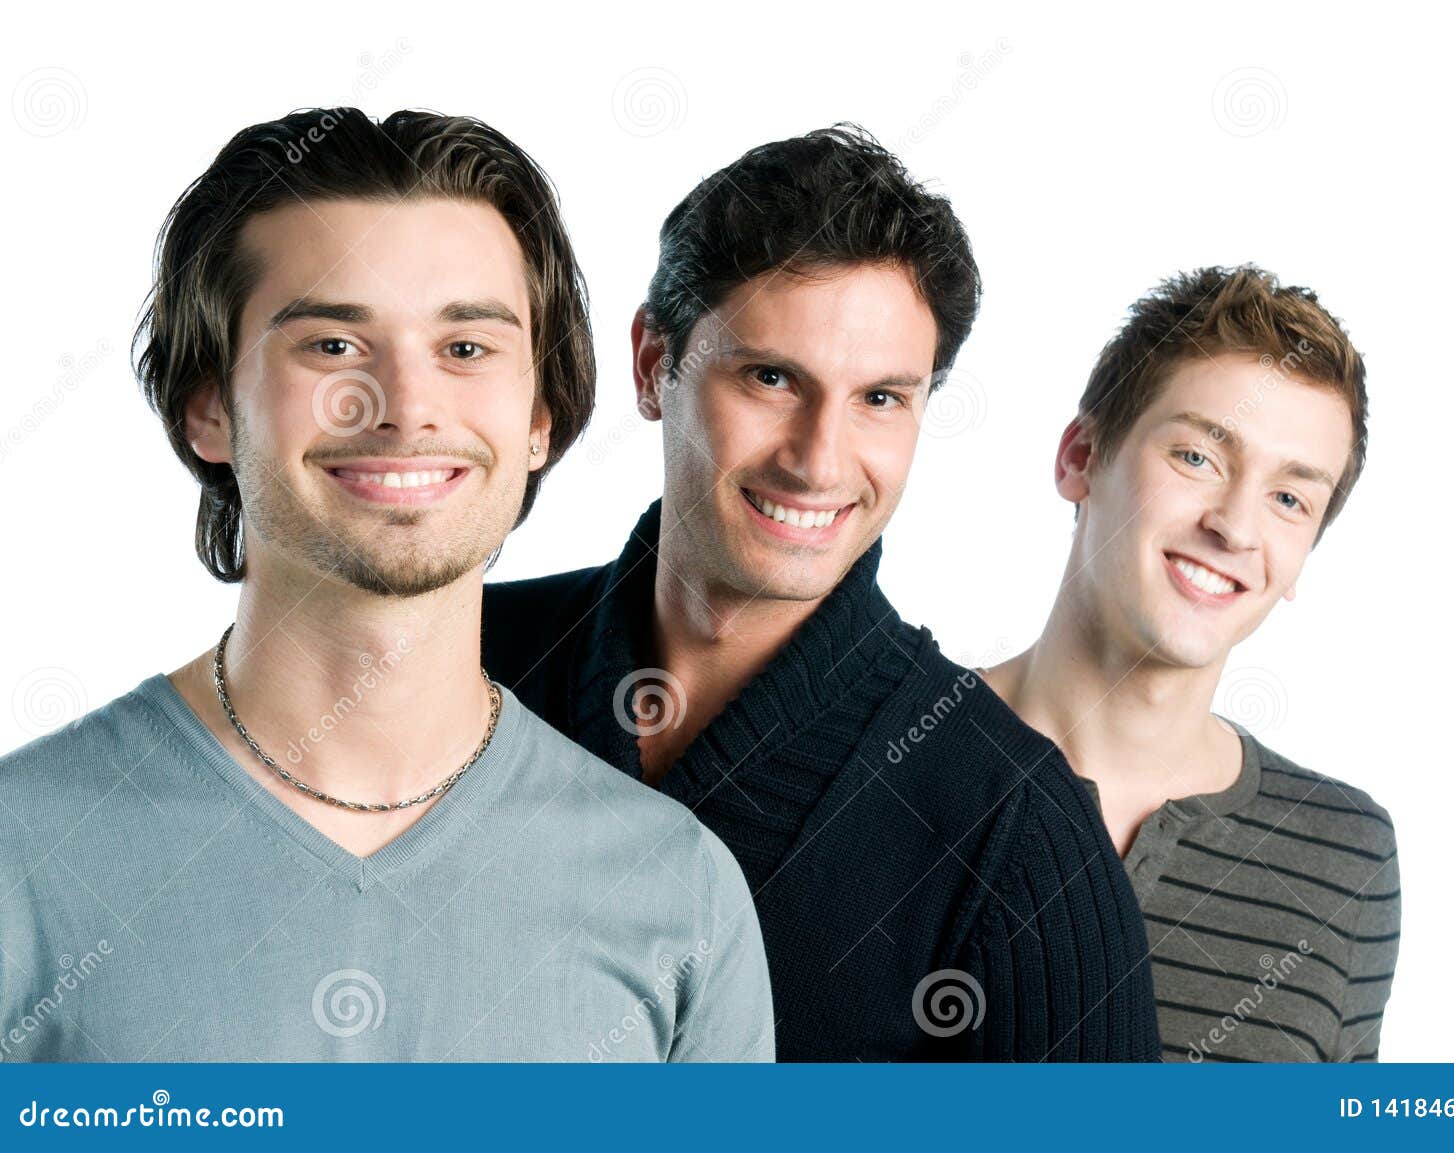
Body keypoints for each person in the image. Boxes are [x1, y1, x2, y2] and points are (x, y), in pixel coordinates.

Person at [0, 108, 773, 1063]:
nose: (406, 408)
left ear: (539, 415)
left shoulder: (677, 889)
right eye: (332, 345)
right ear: (208, 406)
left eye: (466, 349)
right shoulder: (22, 856)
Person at [482, 126, 1160, 1061]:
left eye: (880, 398)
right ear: (651, 365)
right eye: (770, 378)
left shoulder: (1014, 831)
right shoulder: (464, 660)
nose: (818, 460)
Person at [981, 266, 1401, 1062]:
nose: (1235, 527)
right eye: (1198, 456)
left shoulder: (1346, 858)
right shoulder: (880, 757)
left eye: (1290, 499)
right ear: (1081, 456)